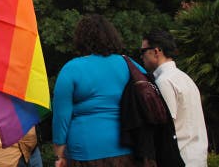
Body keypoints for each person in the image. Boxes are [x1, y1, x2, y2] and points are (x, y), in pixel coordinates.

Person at [53, 14, 150, 167]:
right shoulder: (129, 65)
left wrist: (59, 154)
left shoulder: (71, 69)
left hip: (85, 151)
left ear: (81, 39)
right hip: (127, 147)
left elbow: (61, 117)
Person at [140, 30, 207, 167]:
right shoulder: (185, 78)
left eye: (143, 51)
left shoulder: (164, 82)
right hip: (197, 158)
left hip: (180, 158)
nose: (141, 56)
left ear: (156, 51)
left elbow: (164, 128)